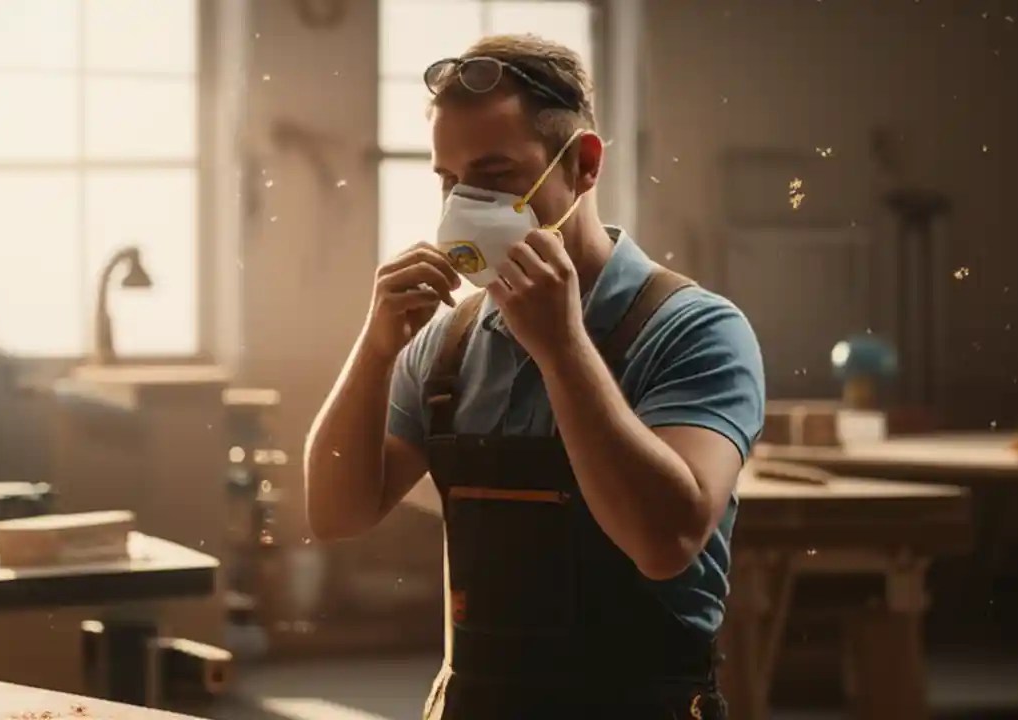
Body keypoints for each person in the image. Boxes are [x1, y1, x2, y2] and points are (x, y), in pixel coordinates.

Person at [304, 33, 765, 719]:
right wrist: (374, 352)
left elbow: (665, 542)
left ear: (581, 166)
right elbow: (336, 514)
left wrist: (562, 347)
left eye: (495, 176)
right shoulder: (450, 346)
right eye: (448, 181)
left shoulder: (694, 331)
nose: (465, 205)